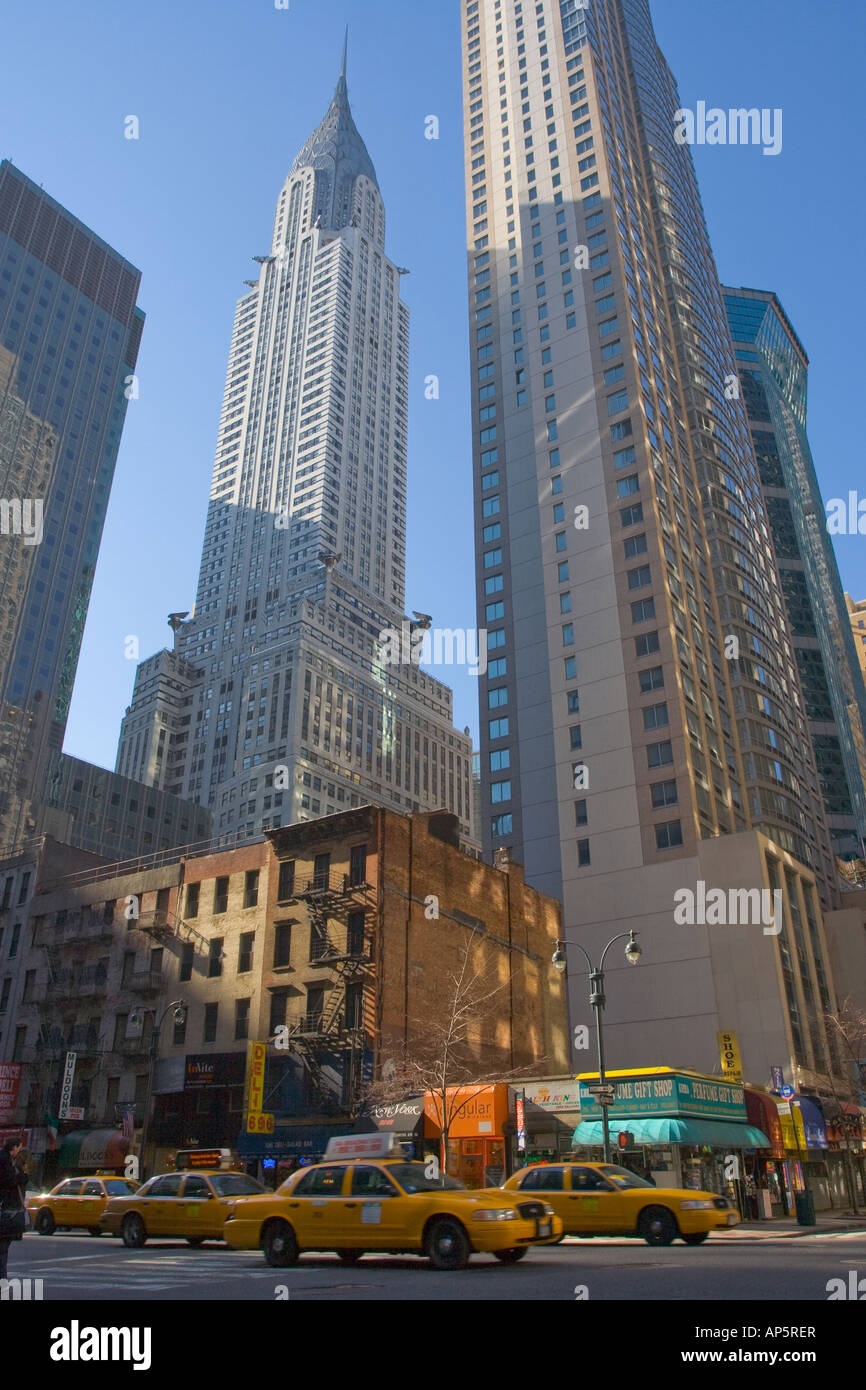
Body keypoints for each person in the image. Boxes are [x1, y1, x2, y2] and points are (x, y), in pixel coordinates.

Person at [0, 1135, 28, 1281]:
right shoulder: (6, 1161)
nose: (19, 1151)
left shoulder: (7, 1160)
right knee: (3, 1249)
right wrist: (23, 1178)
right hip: (5, 1212)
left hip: (5, 1210)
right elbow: (8, 1181)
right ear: (14, 1148)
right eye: (19, 1148)